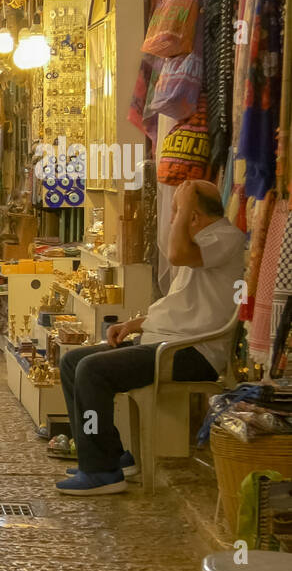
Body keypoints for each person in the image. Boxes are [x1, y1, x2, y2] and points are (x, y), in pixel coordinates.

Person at [55, 179, 243, 496]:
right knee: (74, 362)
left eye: (176, 213)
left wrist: (183, 207)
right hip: (167, 344)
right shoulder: (202, 239)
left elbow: (178, 253)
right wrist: (135, 324)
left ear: (194, 216)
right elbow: (182, 304)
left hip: (194, 353)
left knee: (92, 372)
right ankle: (107, 454)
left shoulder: (226, 238)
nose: (173, 221)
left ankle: (102, 472)